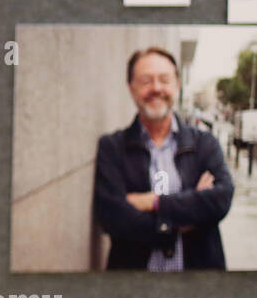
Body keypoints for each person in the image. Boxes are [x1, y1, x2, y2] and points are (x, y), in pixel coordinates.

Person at [94, 47, 233, 270]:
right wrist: (189, 212)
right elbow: (113, 217)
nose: (156, 88)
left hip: (198, 286)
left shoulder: (205, 144)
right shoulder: (111, 147)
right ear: (131, 88)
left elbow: (220, 200)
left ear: (177, 85)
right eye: (146, 81)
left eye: (164, 80)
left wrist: (153, 202)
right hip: (133, 289)